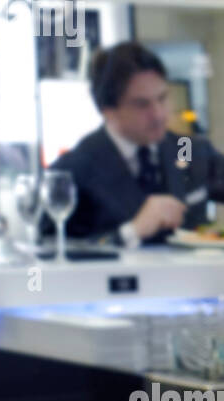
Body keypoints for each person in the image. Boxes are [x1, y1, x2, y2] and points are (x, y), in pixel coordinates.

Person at [47, 42, 224, 247]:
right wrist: (131, 232)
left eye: (162, 98)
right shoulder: (74, 170)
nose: (159, 114)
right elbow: (52, 253)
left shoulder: (190, 150)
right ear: (108, 111)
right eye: (142, 104)